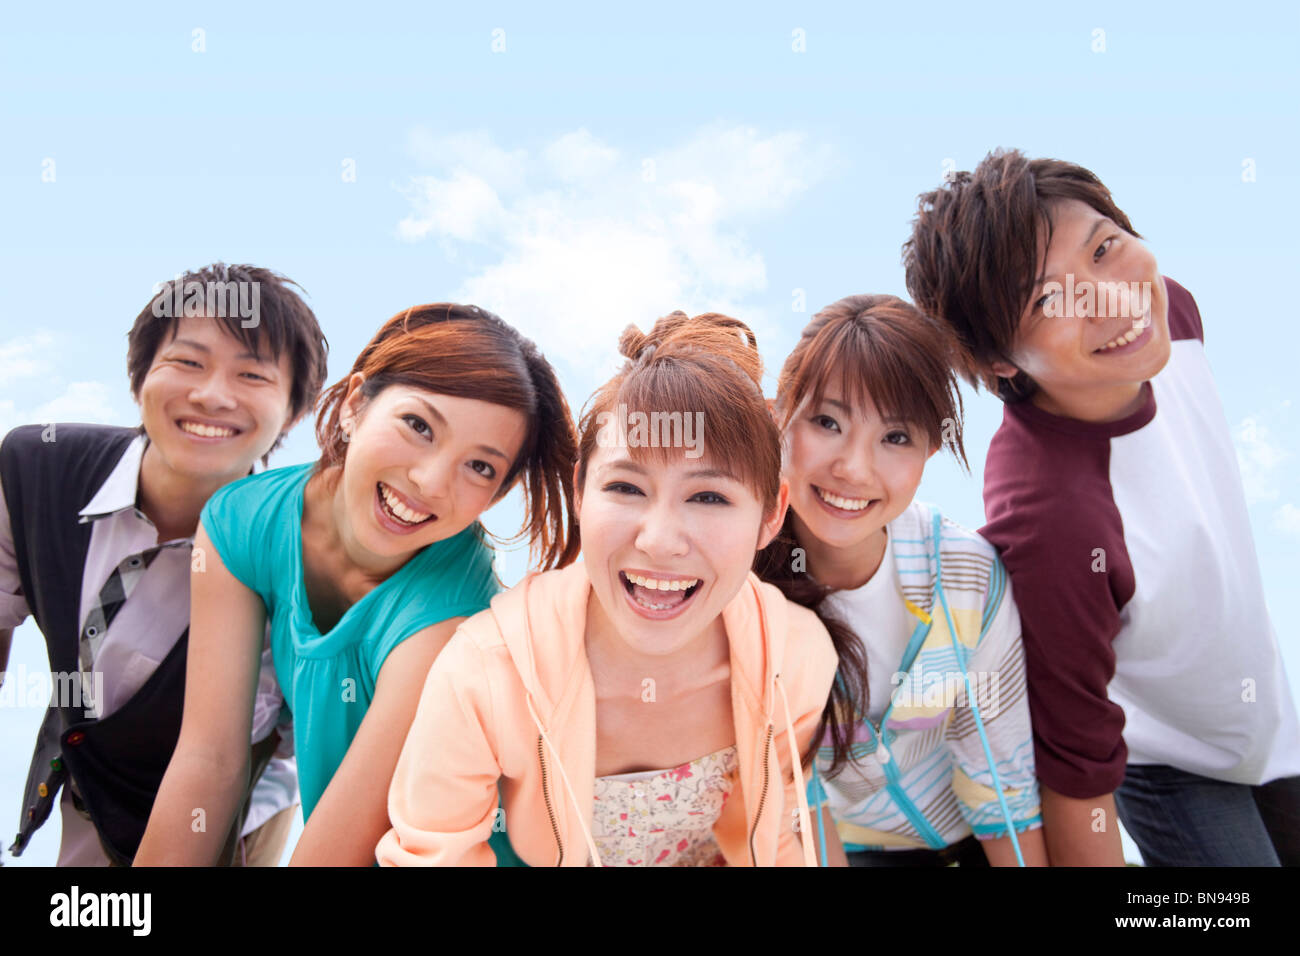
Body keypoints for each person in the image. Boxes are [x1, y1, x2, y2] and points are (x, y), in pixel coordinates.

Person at [903, 148, 1300, 866]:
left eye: (1106, 248)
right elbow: (1075, 779)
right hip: (1170, 766)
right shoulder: (1052, 519)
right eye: (1049, 299)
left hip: (1266, 719)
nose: (1112, 299)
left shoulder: (1170, 313)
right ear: (999, 360)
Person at [376, 312, 840, 866]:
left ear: (771, 515)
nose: (660, 540)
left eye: (709, 497)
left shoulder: (797, 656)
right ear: (579, 490)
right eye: (625, 486)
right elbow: (434, 853)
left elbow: (780, 835)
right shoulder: (485, 671)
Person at [136, 303, 577, 866]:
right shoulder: (240, 520)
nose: (429, 482)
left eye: (481, 468)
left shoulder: (453, 623)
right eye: (418, 426)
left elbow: (338, 855)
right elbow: (210, 760)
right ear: (354, 405)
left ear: (494, 497)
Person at [0, 262, 328, 865]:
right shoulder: (32, 469)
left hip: (238, 812)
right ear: (140, 375)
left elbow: (227, 755)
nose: (212, 395)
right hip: (88, 778)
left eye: (252, 374)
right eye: (188, 362)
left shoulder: (300, 553)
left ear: (294, 412)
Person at [754, 294, 1046, 866]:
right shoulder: (746, 593)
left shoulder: (965, 575)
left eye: (896, 437)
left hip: (985, 842)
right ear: (778, 416)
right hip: (857, 851)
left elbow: (1001, 784)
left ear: (930, 449)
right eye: (827, 422)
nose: (854, 469)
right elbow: (797, 802)